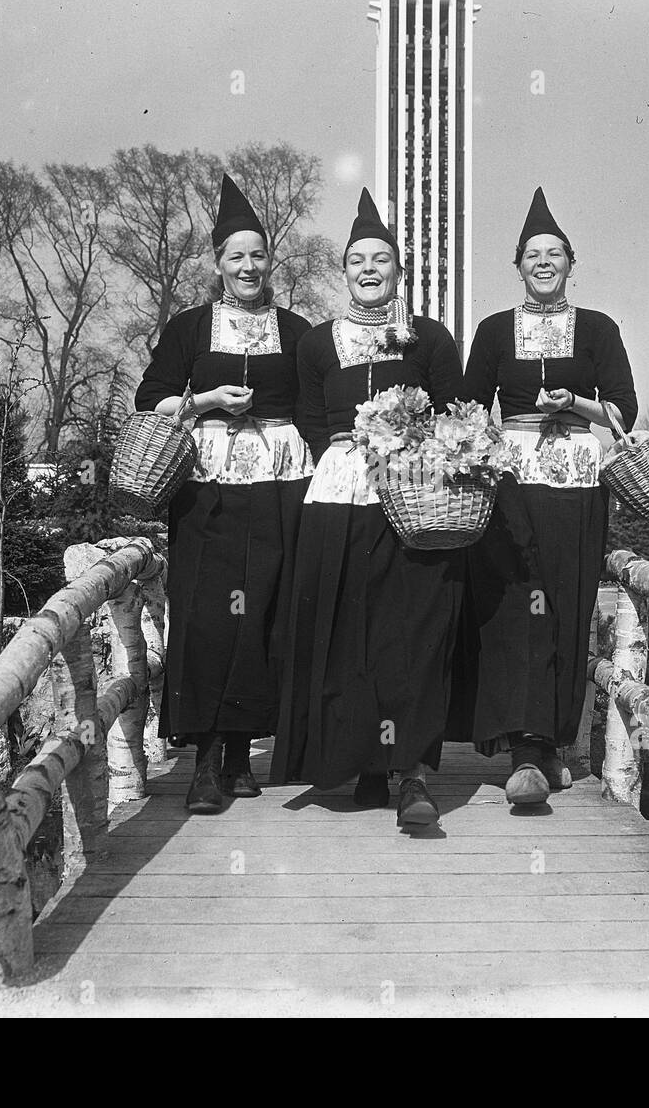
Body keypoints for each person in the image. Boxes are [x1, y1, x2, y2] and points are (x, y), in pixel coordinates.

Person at [272, 189, 465, 829]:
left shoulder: (429, 337)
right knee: (346, 628)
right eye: (357, 259)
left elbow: (453, 410)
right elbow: (306, 412)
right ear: (344, 269)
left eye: (381, 259)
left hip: (410, 497)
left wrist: (407, 444)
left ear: (398, 270)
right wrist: (345, 441)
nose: (369, 269)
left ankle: (410, 772)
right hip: (339, 495)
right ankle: (363, 762)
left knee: (408, 629)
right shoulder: (318, 343)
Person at [449, 187, 638, 806]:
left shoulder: (600, 329)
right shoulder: (494, 330)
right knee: (514, 609)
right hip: (510, 485)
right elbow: (470, 406)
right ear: (519, 265)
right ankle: (524, 753)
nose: (544, 262)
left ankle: (555, 744)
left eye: (554, 252)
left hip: (577, 485)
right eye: (533, 253)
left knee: (566, 604)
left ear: (570, 263)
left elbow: (623, 412)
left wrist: (574, 403)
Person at [133, 174, 313, 814]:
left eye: (258, 255)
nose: (248, 266)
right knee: (208, 616)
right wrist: (203, 401)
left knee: (263, 611)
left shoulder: (297, 332)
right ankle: (205, 760)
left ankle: (242, 753)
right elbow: (148, 397)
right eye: (236, 256)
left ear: (271, 262)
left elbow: (319, 404)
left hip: (279, 485)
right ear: (217, 264)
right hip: (206, 488)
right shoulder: (188, 328)